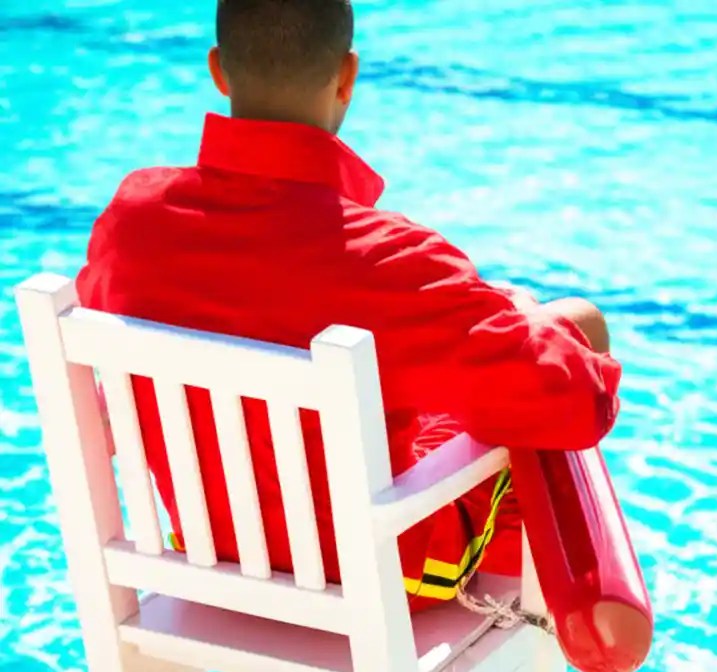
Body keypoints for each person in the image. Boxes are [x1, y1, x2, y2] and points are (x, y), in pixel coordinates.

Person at [76, 0, 621, 618]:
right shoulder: (392, 262)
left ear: (219, 71)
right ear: (346, 77)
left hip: (208, 556)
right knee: (575, 331)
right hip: (381, 585)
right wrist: (526, 318)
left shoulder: (132, 224)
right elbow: (576, 404)